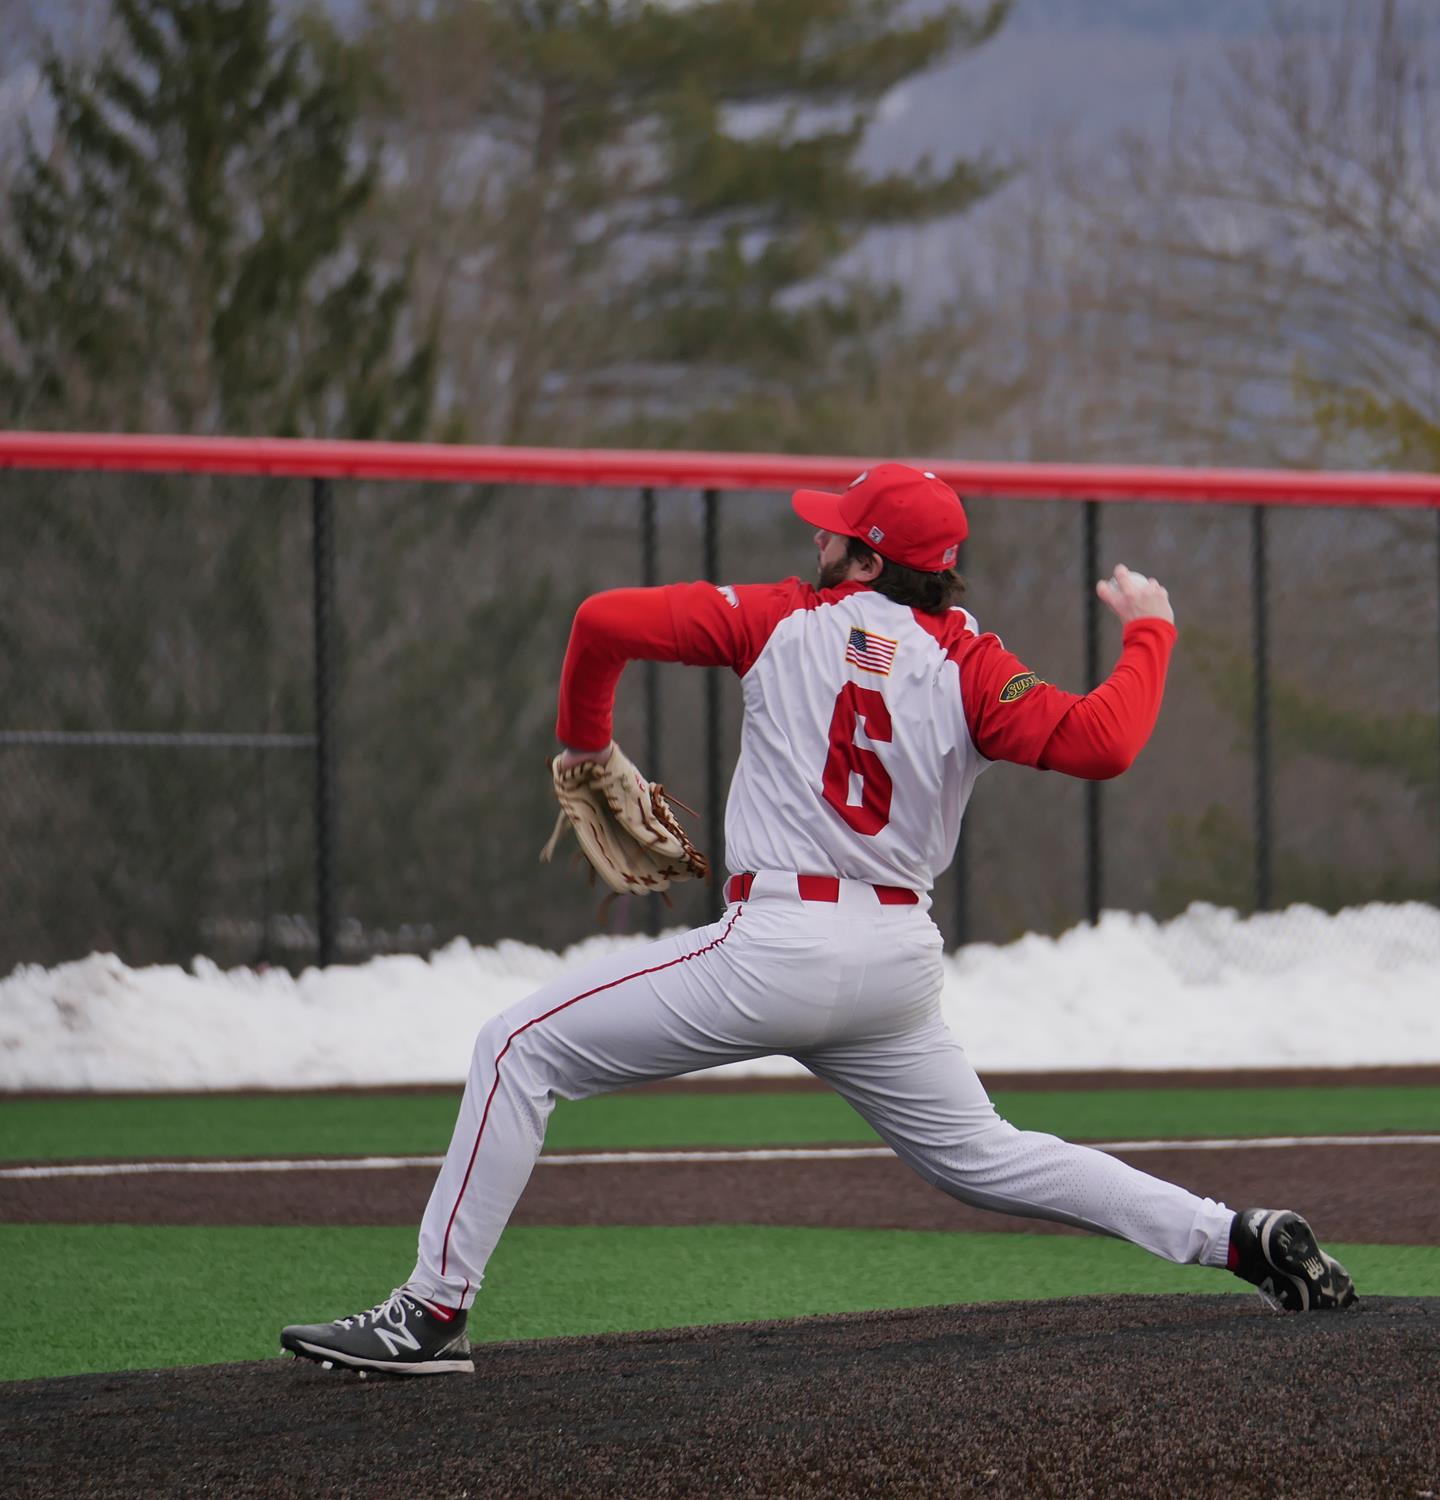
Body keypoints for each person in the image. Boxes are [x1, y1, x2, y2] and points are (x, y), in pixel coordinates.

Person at [280, 462, 1356, 1377]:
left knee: (514, 1049)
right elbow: (1101, 743)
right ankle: (1231, 1237)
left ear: (873, 561)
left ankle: (431, 1310)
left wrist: (583, 744)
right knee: (984, 1154)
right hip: (893, 961)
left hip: (778, 945)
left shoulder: (781, 617)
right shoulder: (972, 660)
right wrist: (1151, 633)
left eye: (838, 535)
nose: (820, 544)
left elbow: (599, 622)